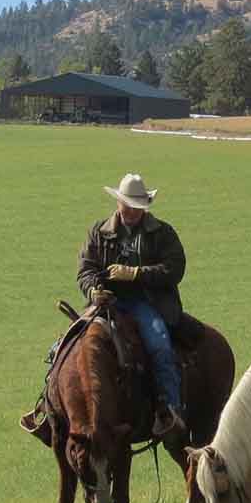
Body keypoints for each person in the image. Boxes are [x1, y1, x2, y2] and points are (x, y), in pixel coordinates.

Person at [76, 173, 188, 439]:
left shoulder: (163, 233)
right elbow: (86, 269)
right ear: (118, 203)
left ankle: (171, 409)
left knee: (160, 344)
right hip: (105, 304)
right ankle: (50, 407)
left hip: (145, 303)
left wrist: (136, 273)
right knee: (67, 344)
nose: (131, 211)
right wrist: (94, 291)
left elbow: (174, 269)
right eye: (127, 205)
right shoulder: (98, 231)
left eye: (137, 207)